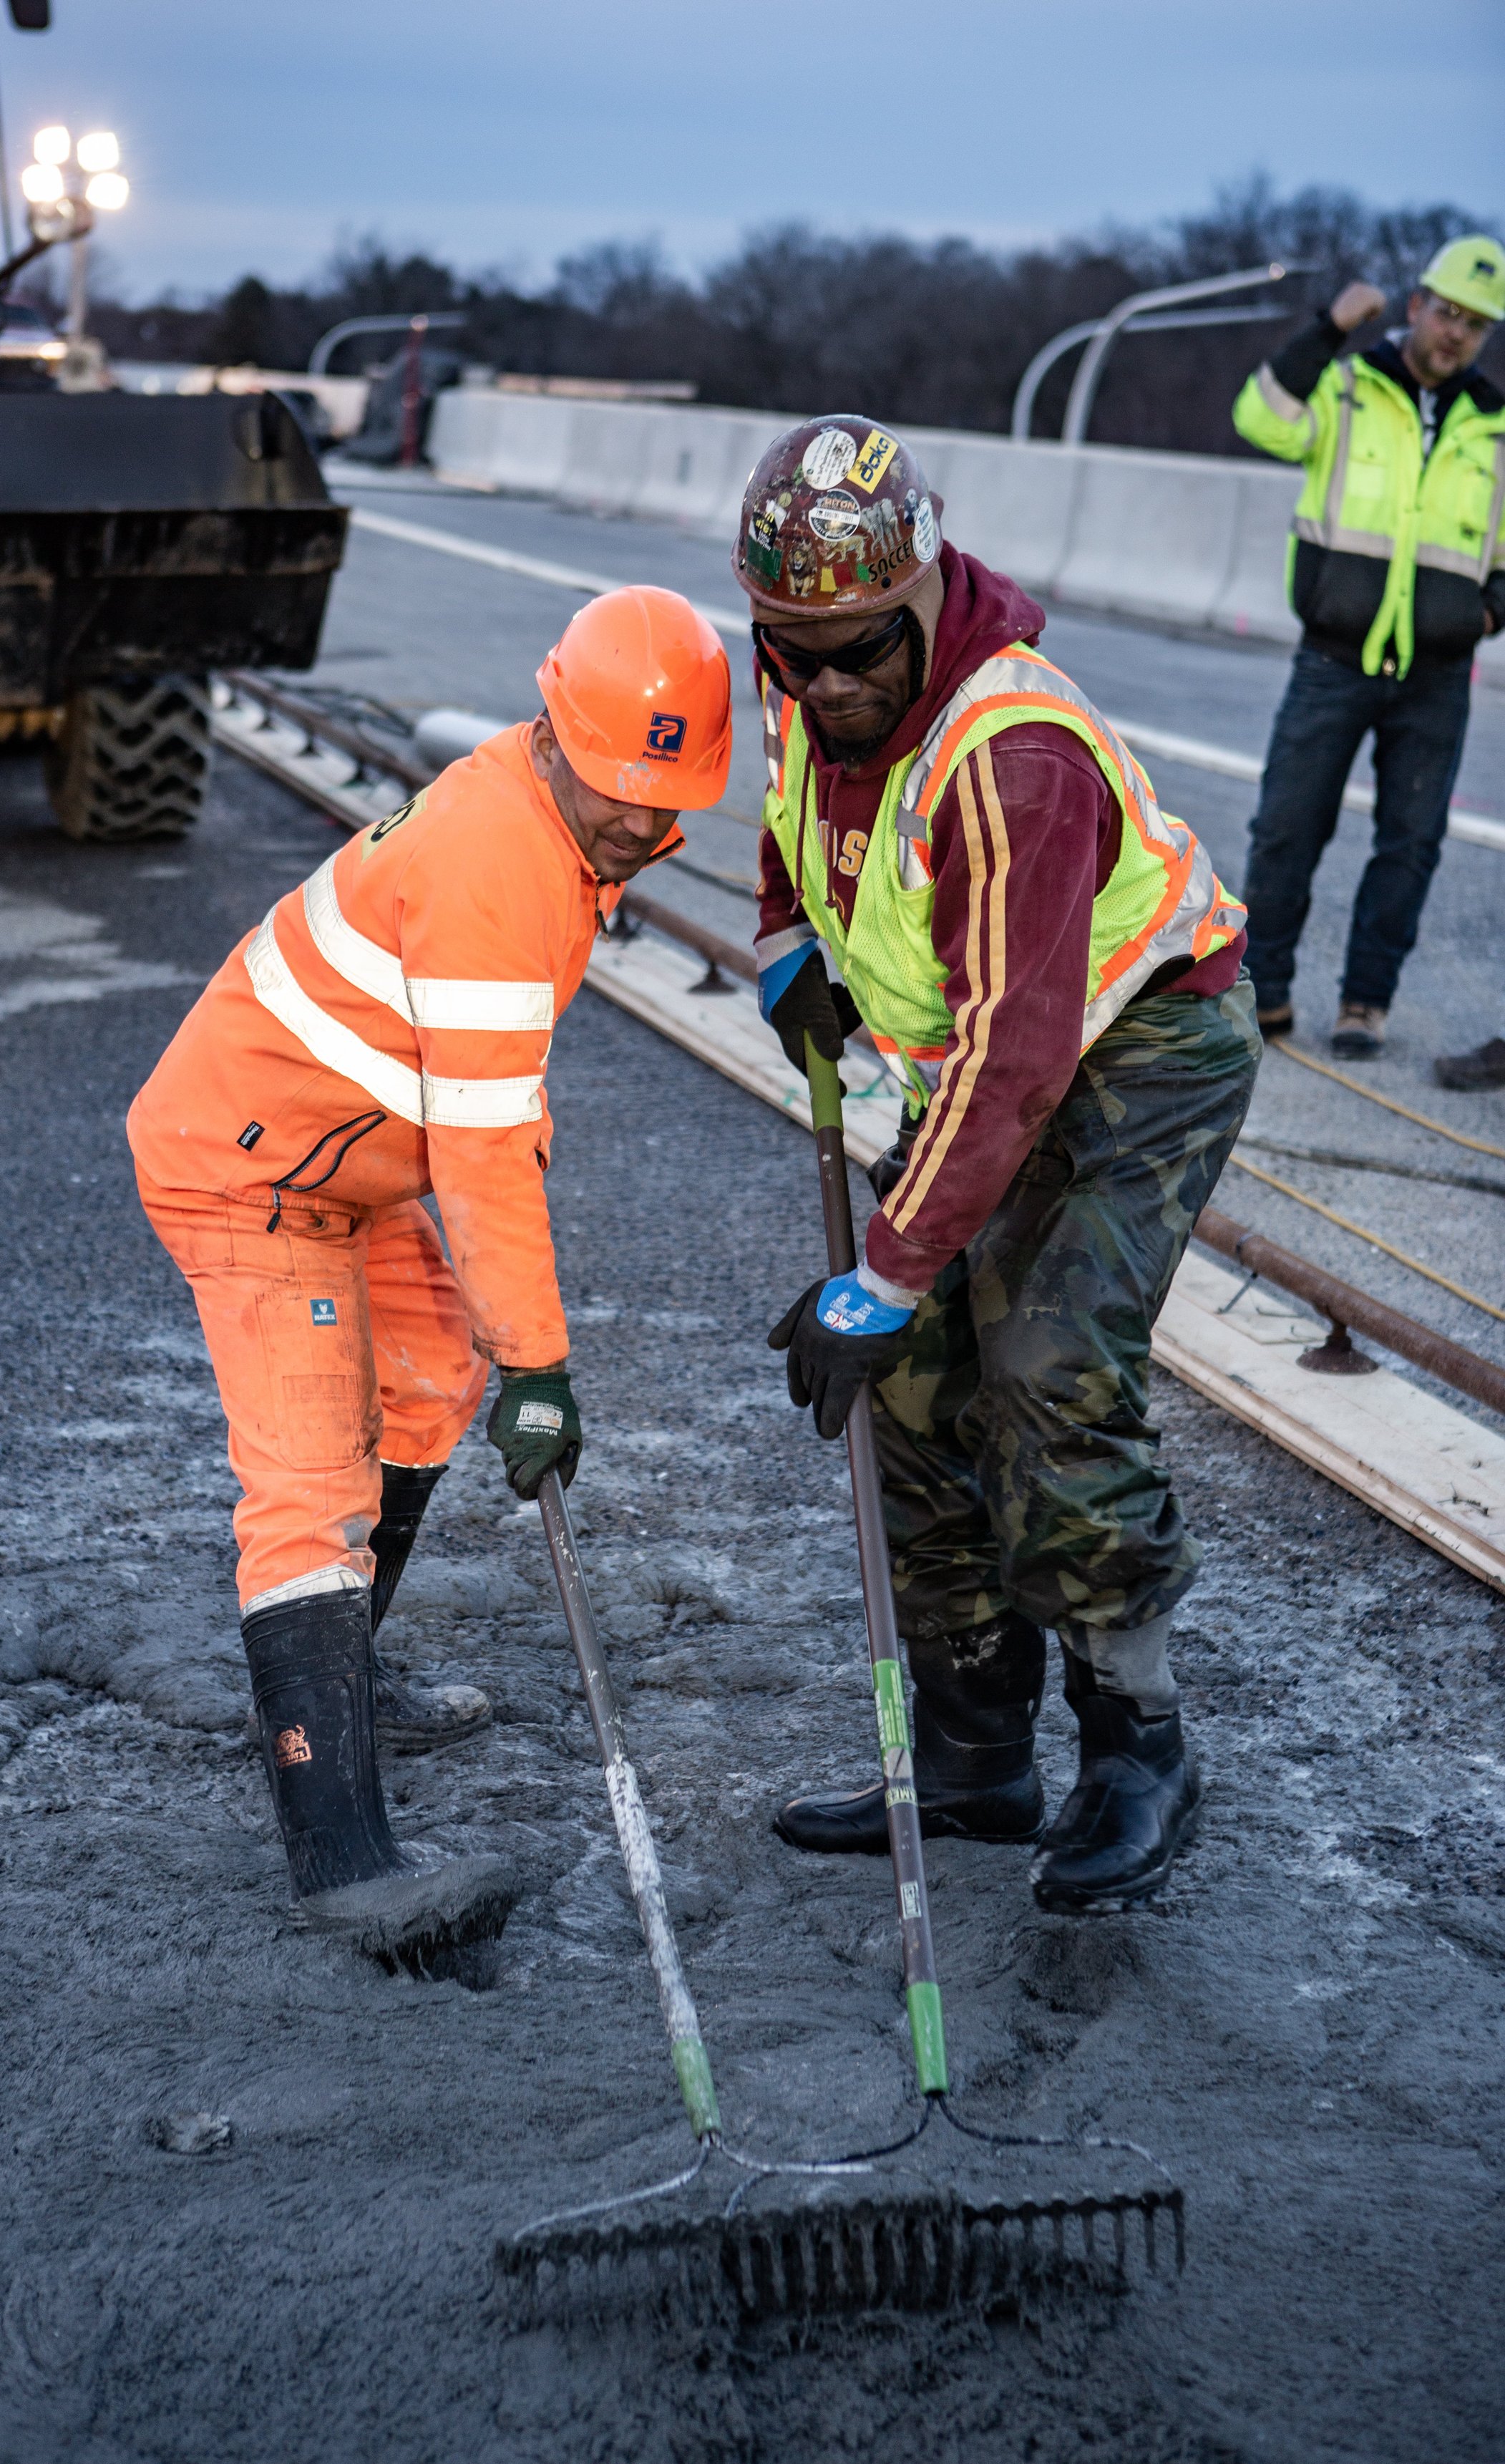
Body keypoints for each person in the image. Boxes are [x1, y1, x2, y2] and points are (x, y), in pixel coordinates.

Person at [127, 588, 732, 1958]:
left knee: (426, 1378)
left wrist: (500, 1360)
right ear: (556, 724)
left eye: (664, 792)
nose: (640, 818)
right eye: (619, 787)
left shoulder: (559, 820)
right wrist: (542, 1365)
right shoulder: (496, 857)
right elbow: (485, 1151)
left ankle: (342, 1675)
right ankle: (340, 1857)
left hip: (348, 1163)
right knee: (311, 1485)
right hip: (254, 1171)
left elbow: (478, 1120)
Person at [737, 414, 1255, 1916]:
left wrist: (889, 1268)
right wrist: (787, 950)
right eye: (794, 650)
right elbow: (792, 820)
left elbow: (1014, 1066)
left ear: (920, 599)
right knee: (907, 1380)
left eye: (857, 653)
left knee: (1040, 1355)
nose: (825, 684)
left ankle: (1136, 1744)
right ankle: (973, 1759)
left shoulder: (1008, 756)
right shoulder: (796, 677)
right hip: (987, 1056)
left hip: (1136, 1047)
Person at [1232, 236, 1505, 1061]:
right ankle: (1263, 995)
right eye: (1449, 312)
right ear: (1418, 304)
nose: (1457, 333)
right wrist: (1326, 327)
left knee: (1411, 845)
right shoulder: (1347, 388)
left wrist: (1488, 614)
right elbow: (1258, 417)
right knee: (1287, 828)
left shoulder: (1493, 425)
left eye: (1477, 325)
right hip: (1332, 659)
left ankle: (1364, 1004)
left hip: (1437, 674)